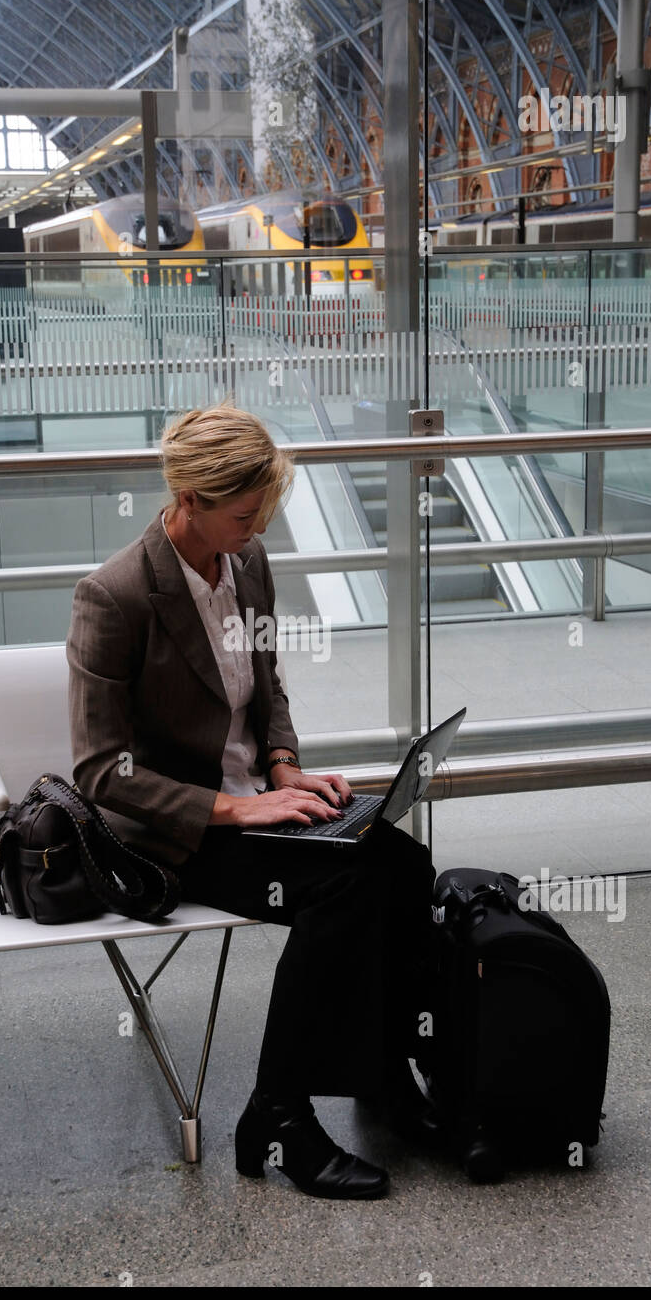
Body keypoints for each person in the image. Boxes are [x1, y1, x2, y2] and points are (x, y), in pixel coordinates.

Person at [66, 402, 440, 1200]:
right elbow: (101, 770)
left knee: (403, 863)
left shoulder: (247, 561)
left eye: (265, 511)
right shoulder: (115, 596)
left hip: (254, 805)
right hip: (174, 833)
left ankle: (381, 1081)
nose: (258, 526)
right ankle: (280, 1116)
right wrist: (237, 808)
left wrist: (282, 768)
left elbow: (265, 682)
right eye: (244, 513)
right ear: (189, 499)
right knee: (345, 885)